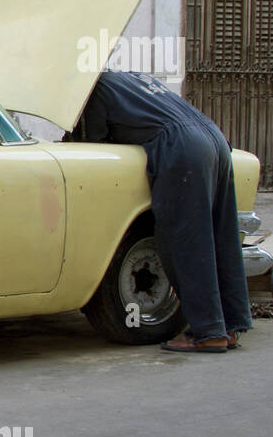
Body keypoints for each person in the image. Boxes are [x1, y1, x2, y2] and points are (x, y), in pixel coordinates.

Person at [66, 69, 252, 352]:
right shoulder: (131, 78)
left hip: (183, 148)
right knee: (220, 235)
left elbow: (90, 147)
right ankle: (231, 325)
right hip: (214, 139)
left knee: (184, 241)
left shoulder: (94, 90)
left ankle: (208, 332)